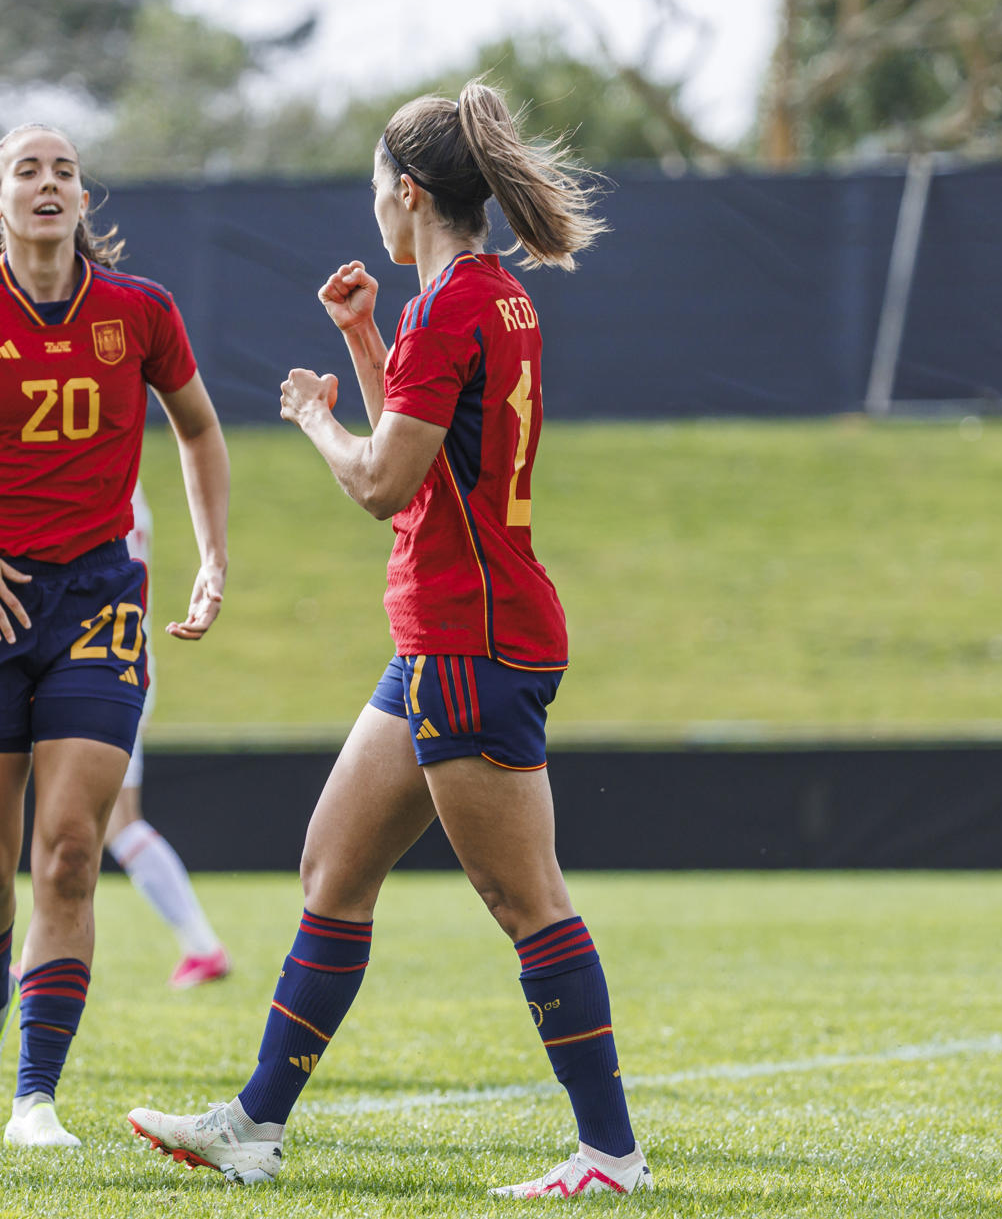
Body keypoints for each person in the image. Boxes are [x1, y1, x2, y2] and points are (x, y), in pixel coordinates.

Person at [128, 81, 651, 1199]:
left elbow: (380, 480)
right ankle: (256, 1126)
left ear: (406, 194)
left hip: (471, 637)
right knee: (332, 870)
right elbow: (431, 451)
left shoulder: (452, 308)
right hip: (449, 635)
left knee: (528, 903)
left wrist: (314, 415)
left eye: (377, 183)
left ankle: (611, 1155)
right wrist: (364, 340)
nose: (373, 201)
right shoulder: (487, 298)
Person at [0, 123, 229, 1149]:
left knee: (67, 853)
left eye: (65, 169)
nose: (51, 183)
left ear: (81, 197)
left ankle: (35, 1099)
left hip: (101, 598)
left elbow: (198, 426)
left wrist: (209, 556)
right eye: (29, 170)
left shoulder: (141, 311)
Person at [102, 481, 229, 988]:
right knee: (109, 822)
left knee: (99, 821)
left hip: (99, 670)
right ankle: (202, 945)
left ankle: (202, 944)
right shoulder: (133, 494)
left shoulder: (106, 492)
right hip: (124, 664)